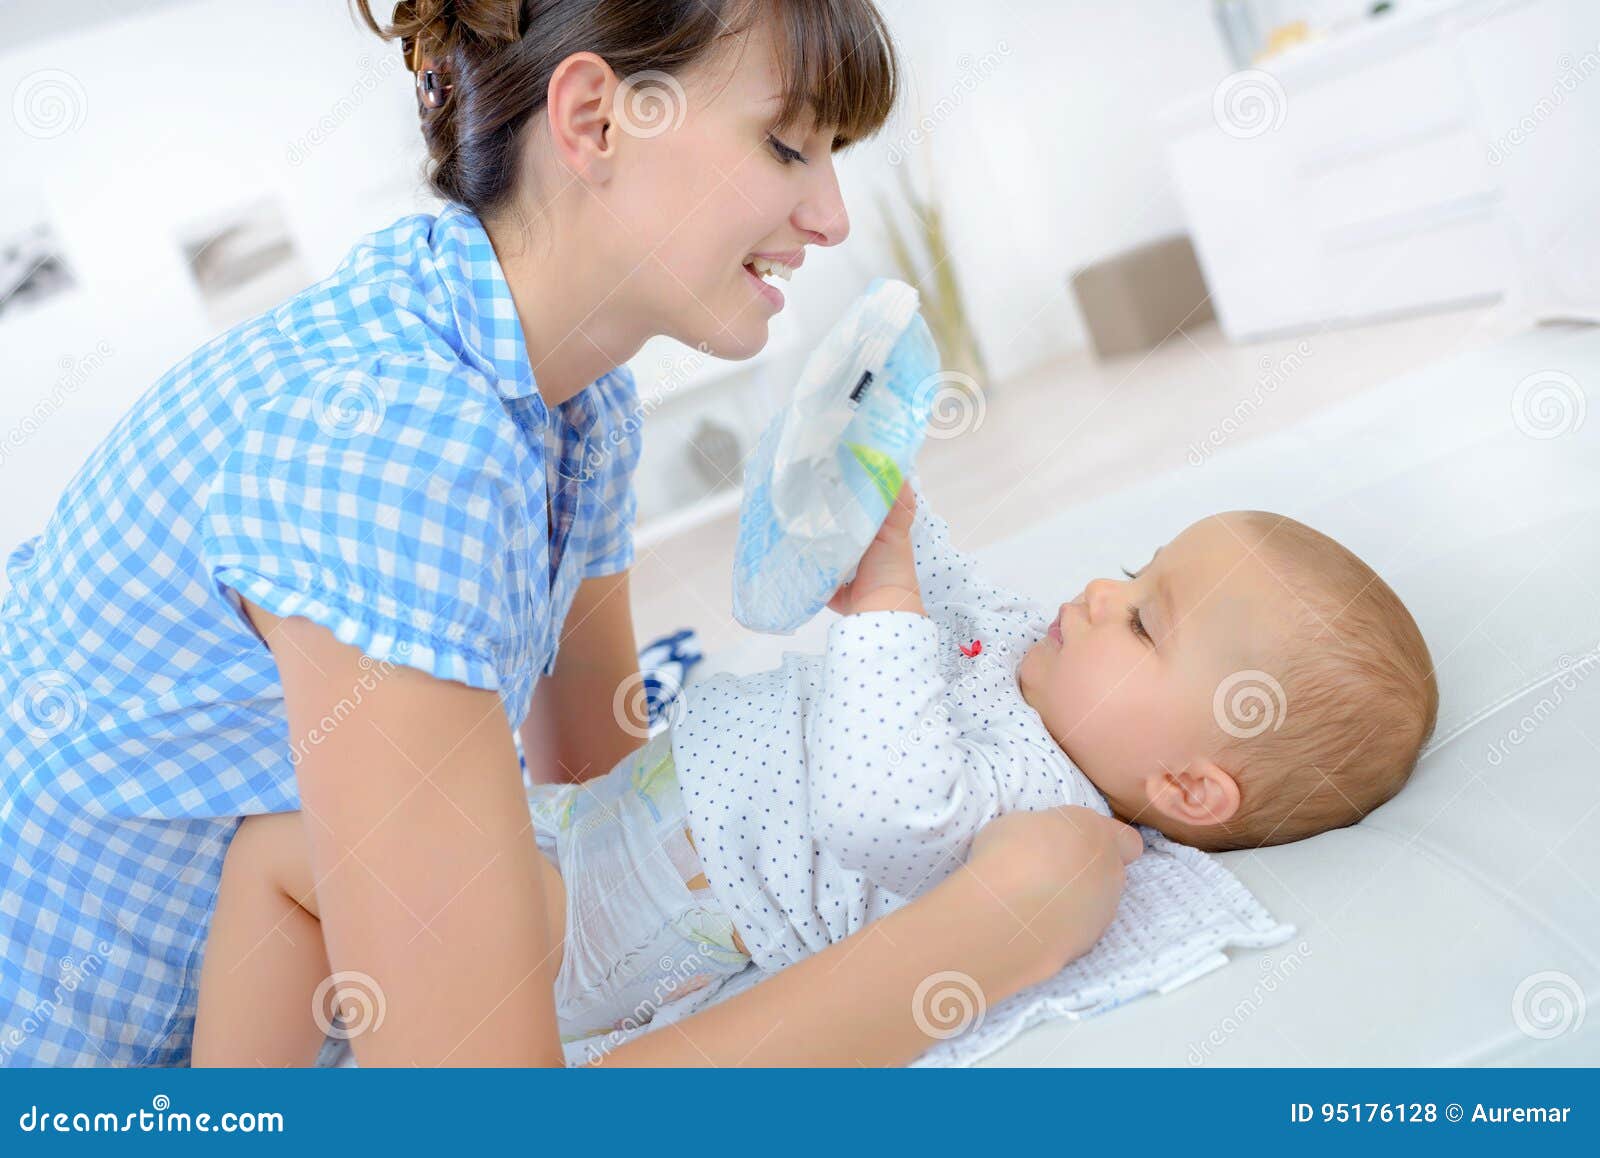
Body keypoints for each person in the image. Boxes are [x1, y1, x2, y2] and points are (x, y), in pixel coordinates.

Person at [0, 0, 1140, 1068]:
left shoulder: (574, 410)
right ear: (595, 120)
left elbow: (594, 811)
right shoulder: (398, 443)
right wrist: (998, 924)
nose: (831, 215)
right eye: (787, 147)